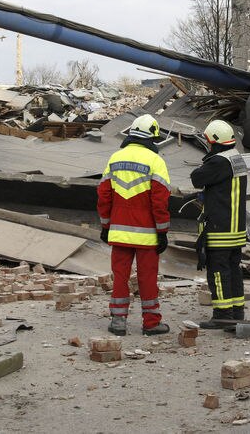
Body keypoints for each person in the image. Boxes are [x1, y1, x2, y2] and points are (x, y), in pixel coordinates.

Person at [97, 114, 171, 336]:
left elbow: (104, 195)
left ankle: (118, 321)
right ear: (152, 137)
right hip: (147, 234)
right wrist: (162, 232)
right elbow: (160, 201)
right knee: (147, 278)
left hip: (119, 230)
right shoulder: (156, 161)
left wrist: (105, 225)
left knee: (120, 276)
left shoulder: (115, 157)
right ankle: (151, 323)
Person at [191, 119, 248, 329]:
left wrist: (207, 159)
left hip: (220, 228)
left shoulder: (218, 162)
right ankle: (237, 313)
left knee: (217, 272)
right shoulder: (236, 158)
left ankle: (223, 315)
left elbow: (196, 178)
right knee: (233, 270)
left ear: (213, 141)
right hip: (236, 228)